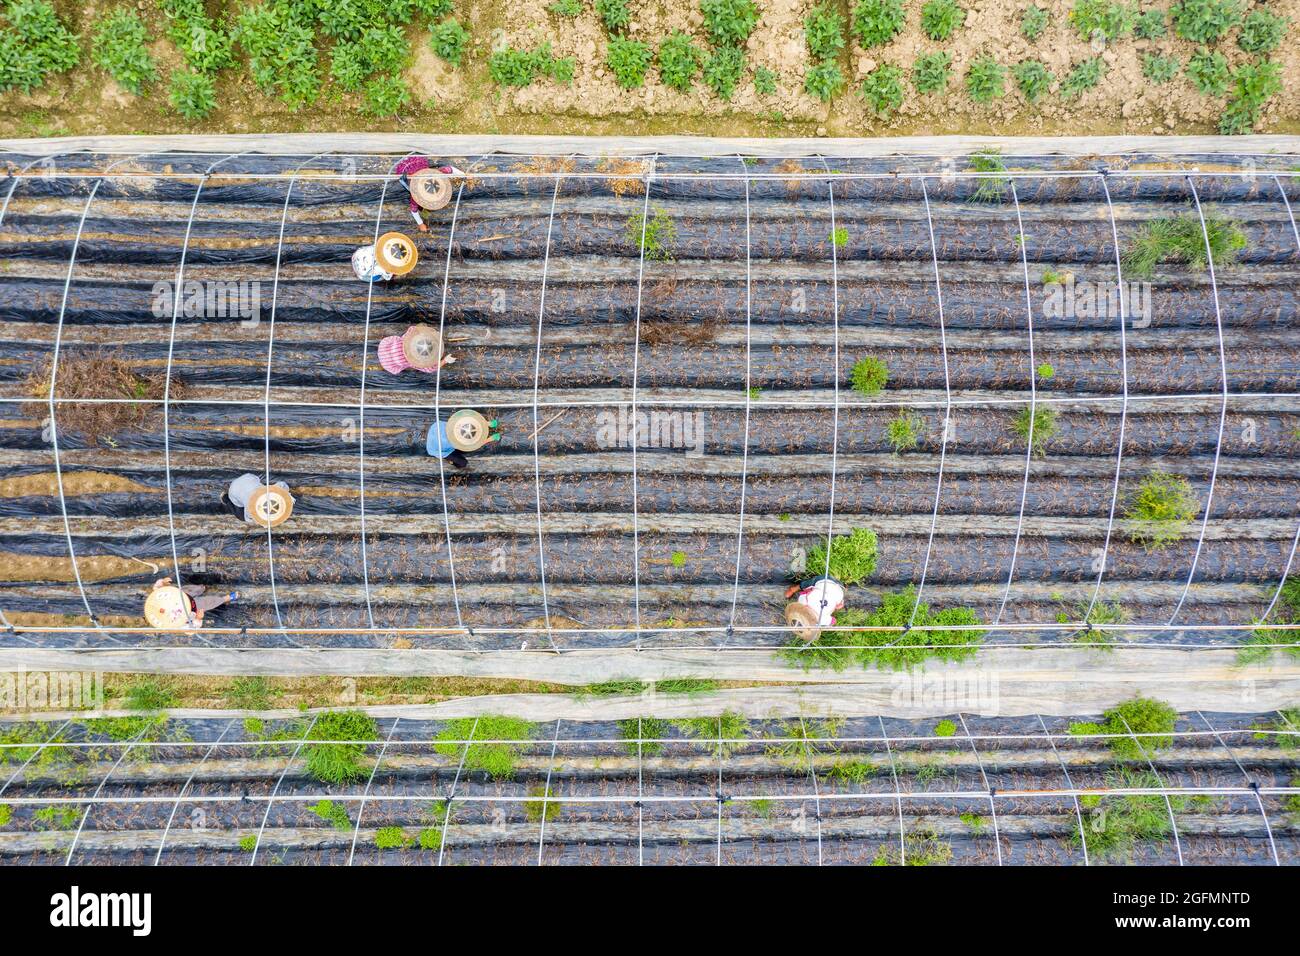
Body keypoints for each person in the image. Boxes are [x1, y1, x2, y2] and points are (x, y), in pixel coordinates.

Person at [392, 156, 465, 232]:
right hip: (408, 168)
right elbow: (413, 210)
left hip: (420, 166)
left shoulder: (437, 174)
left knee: (425, 210)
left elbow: (451, 169)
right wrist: (420, 224)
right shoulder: (416, 194)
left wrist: (463, 175)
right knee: (418, 203)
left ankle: (425, 213)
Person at [426, 413, 502, 471]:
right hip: (436, 448)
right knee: (462, 463)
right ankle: (451, 461)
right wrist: (491, 438)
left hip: (436, 428)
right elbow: (475, 444)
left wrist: (488, 424)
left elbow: (472, 422)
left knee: (463, 449)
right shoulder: (453, 441)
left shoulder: (458, 424)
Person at [378, 323, 456, 376]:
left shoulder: (407, 338)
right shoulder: (413, 362)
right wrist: (445, 360)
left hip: (385, 346)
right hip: (390, 365)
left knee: (399, 340)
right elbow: (430, 369)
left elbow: (413, 328)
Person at [151, 576, 237, 622]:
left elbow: (156, 587)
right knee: (209, 602)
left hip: (183, 594)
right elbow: (190, 629)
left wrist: (163, 582)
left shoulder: (158, 597)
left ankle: (202, 588)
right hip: (192, 607)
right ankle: (225, 599)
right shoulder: (173, 621)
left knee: (195, 589)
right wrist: (198, 619)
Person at [222, 473, 295, 526]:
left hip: (247, 478)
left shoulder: (275, 488)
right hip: (233, 491)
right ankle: (226, 498)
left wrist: (286, 495)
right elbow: (249, 518)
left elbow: (283, 485)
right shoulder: (249, 507)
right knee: (241, 517)